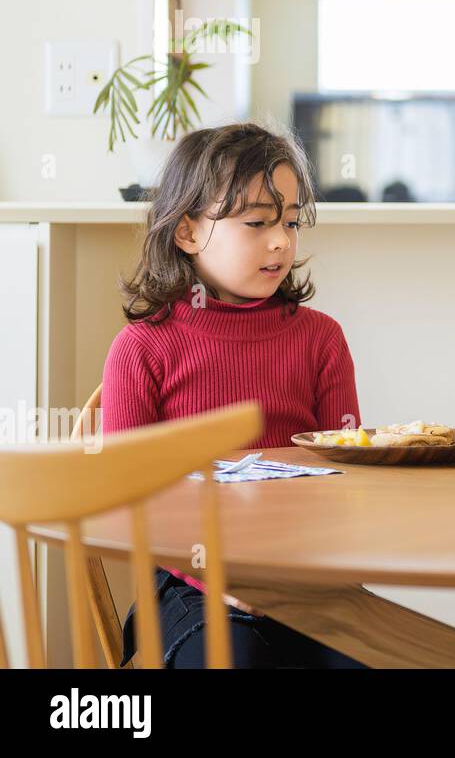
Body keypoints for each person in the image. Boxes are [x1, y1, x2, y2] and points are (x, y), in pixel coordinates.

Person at [103, 122, 365, 667]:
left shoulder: (321, 340)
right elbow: (126, 498)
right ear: (187, 233)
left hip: (304, 575)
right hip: (187, 580)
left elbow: (346, 475)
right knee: (234, 657)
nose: (281, 241)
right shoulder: (142, 349)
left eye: (291, 222)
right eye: (256, 223)